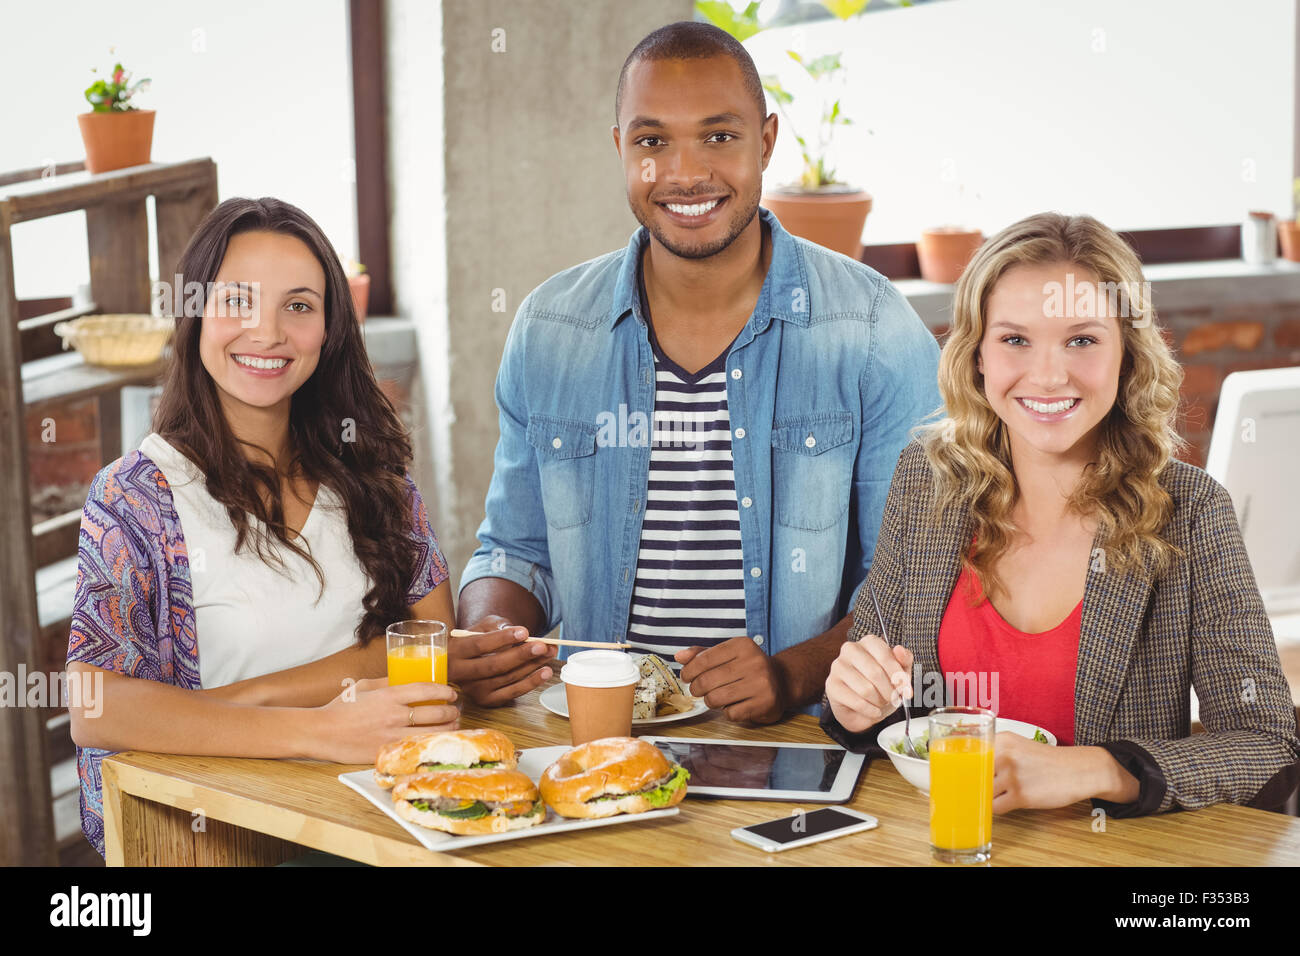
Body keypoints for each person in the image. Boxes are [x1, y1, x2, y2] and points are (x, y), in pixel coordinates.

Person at [455, 21, 940, 723]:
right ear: (621, 148)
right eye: (652, 141)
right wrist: (491, 629)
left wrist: (789, 676)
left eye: (719, 136)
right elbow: (514, 549)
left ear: (766, 142)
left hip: (801, 748)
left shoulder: (870, 327)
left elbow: (908, 584)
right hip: (600, 737)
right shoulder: (550, 328)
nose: (684, 173)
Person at [822, 212, 1300, 815]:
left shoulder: (1190, 512)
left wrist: (1098, 770)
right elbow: (884, 699)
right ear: (977, 357)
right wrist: (852, 705)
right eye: (1015, 339)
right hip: (944, 845)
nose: (1049, 376)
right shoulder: (928, 484)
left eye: (1082, 339)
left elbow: (1268, 748)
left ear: (1126, 354)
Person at [66, 198, 459, 856]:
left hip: (393, 828)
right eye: (237, 301)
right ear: (195, 314)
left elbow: (432, 645)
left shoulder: (372, 471)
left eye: (298, 305)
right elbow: (96, 706)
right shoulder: (136, 497)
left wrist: (248, 699)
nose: (267, 332)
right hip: (228, 841)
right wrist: (321, 728)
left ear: (330, 327)